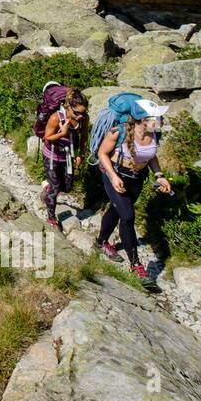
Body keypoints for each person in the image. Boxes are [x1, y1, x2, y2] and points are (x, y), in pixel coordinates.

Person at [94, 98, 171, 280]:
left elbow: (150, 157)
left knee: (117, 209)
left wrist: (159, 176)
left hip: (137, 178)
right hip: (116, 175)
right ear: (142, 119)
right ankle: (136, 266)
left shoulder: (154, 134)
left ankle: (100, 242)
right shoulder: (117, 132)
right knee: (128, 217)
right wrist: (113, 177)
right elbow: (102, 153)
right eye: (157, 117)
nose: (161, 120)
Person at [39, 88, 87, 229]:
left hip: (67, 156)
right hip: (52, 155)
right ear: (68, 107)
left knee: (67, 187)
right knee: (56, 187)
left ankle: (47, 187)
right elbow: (47, 137)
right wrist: (62, 133)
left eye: (83, 113)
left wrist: (81, 154)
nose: (80, 116)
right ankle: (51, 219)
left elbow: (84, 137)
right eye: (77, 113)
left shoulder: (84, 118)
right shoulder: (56, 117)